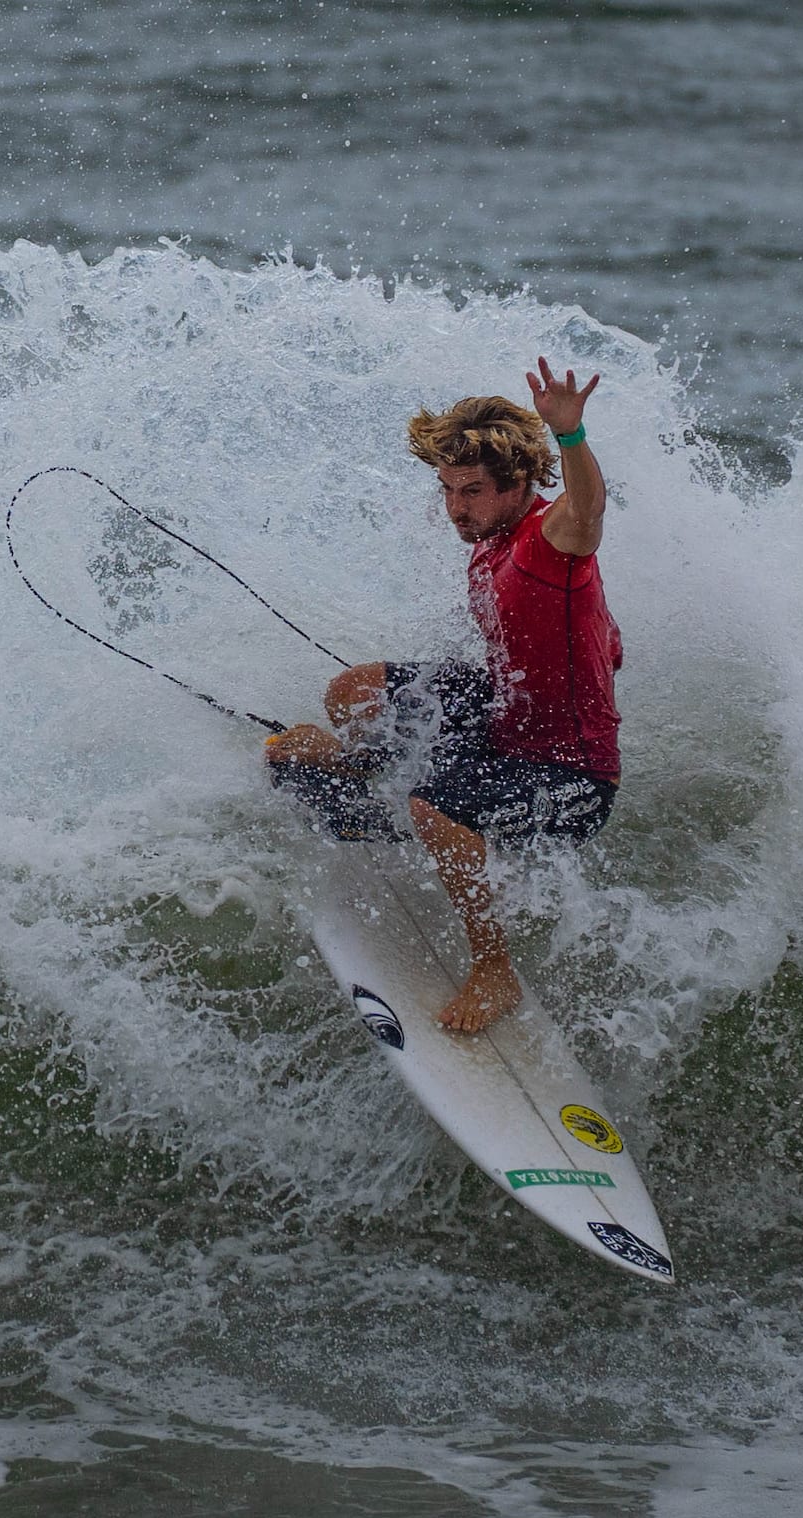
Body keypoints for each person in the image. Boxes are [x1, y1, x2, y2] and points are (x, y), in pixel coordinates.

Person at [265, 358, 622, 1033]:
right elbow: (604, 635)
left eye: (473, 492)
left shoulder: (553, 540)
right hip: (504, 713)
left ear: (517, 483)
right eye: (448, 491)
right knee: (353, 692)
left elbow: (589, 508)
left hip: (568, 773)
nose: (457, 509)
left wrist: (570, 437)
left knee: (437, 808)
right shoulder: (491, 537)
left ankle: (495, 971)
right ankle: (357, 771)